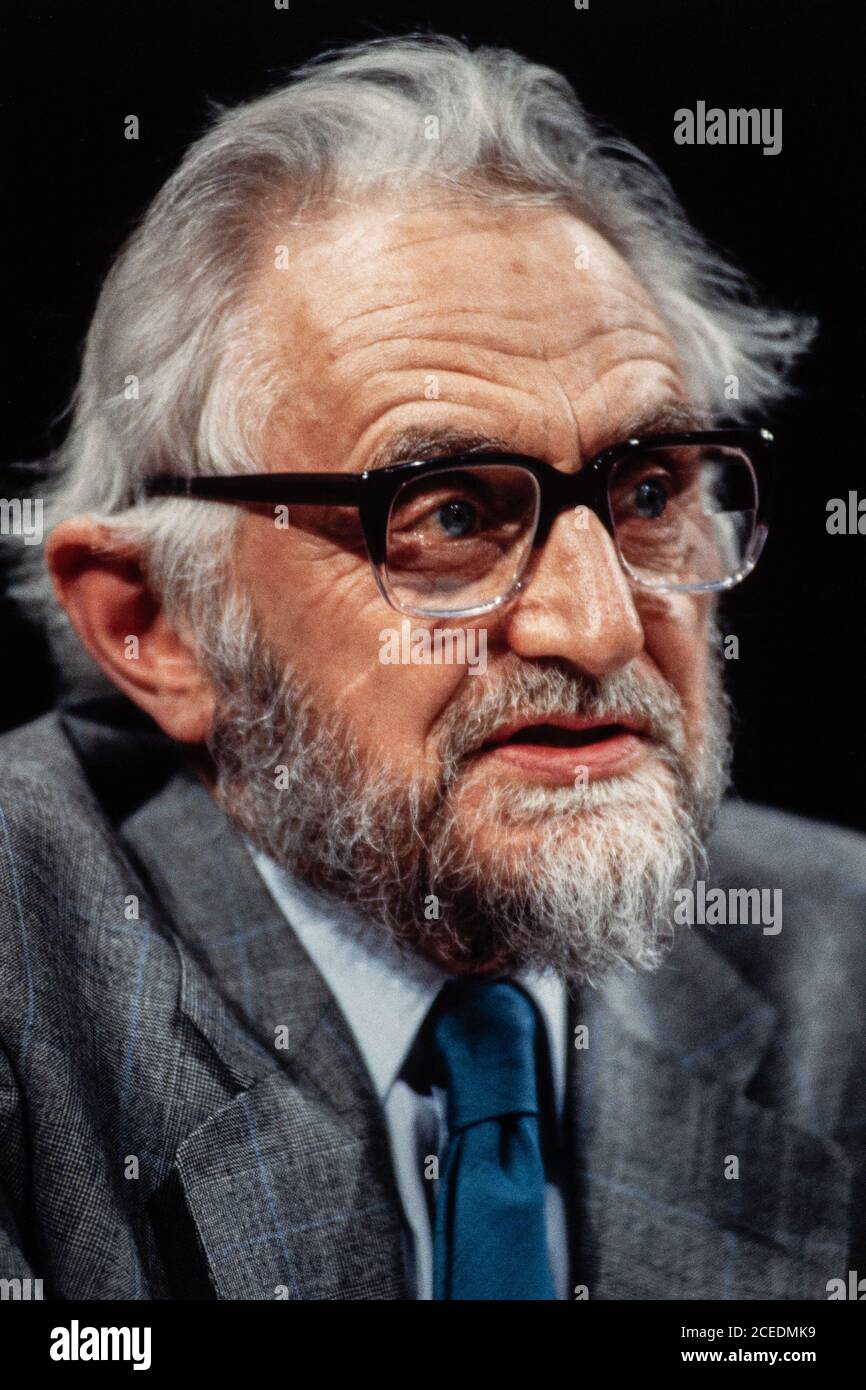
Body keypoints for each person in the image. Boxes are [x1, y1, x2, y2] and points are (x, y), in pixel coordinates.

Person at [1, 34, 864, 1301]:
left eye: (642, 491)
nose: (599, 628)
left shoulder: (844, 952)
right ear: (157, 626)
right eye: (450, 515)